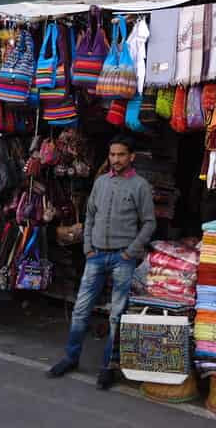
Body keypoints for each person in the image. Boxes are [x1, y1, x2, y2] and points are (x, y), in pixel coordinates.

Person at [47, 134, 156, 390]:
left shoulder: (140, 186)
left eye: (120, 155)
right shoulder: (100, 183)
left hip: (123, 258)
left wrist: (131, 251)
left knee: (116, 315)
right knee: (81, 309)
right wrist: (87, 247)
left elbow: (149, 222)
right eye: (112, 155)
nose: (116, 159)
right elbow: (90, 216)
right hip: (96, 255)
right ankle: (71, 357)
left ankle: (108, 366)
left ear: (131, 157)